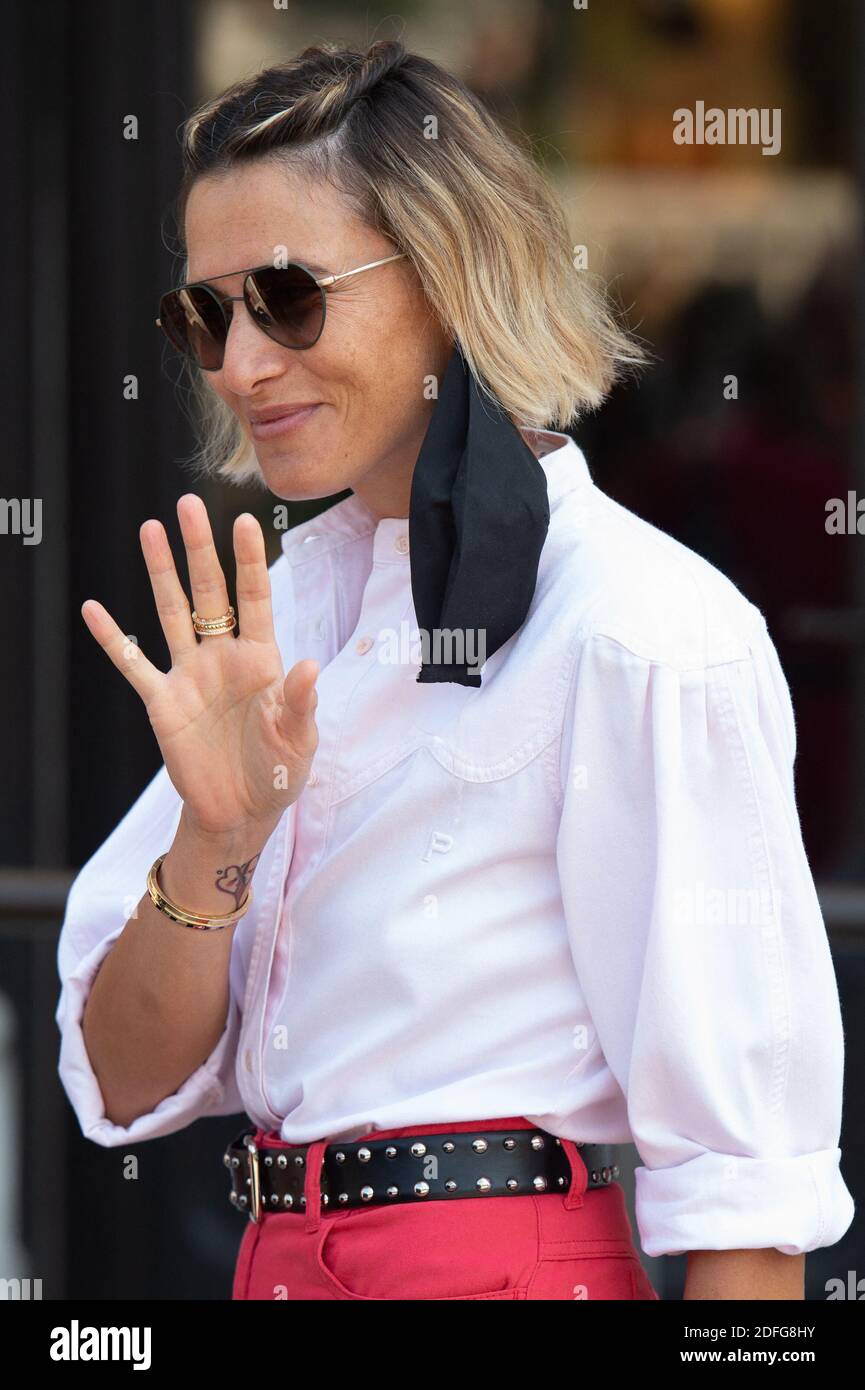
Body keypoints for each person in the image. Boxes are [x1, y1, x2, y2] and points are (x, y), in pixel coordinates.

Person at [56, 39, 854, 1301]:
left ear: (448, 277)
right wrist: (217, 840)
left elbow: (745, 1183)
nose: (240, 361)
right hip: (271, 1261)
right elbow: (124, 1077)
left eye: (287, 295)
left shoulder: (642, 625)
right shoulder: (280, 609)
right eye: (204, 316)